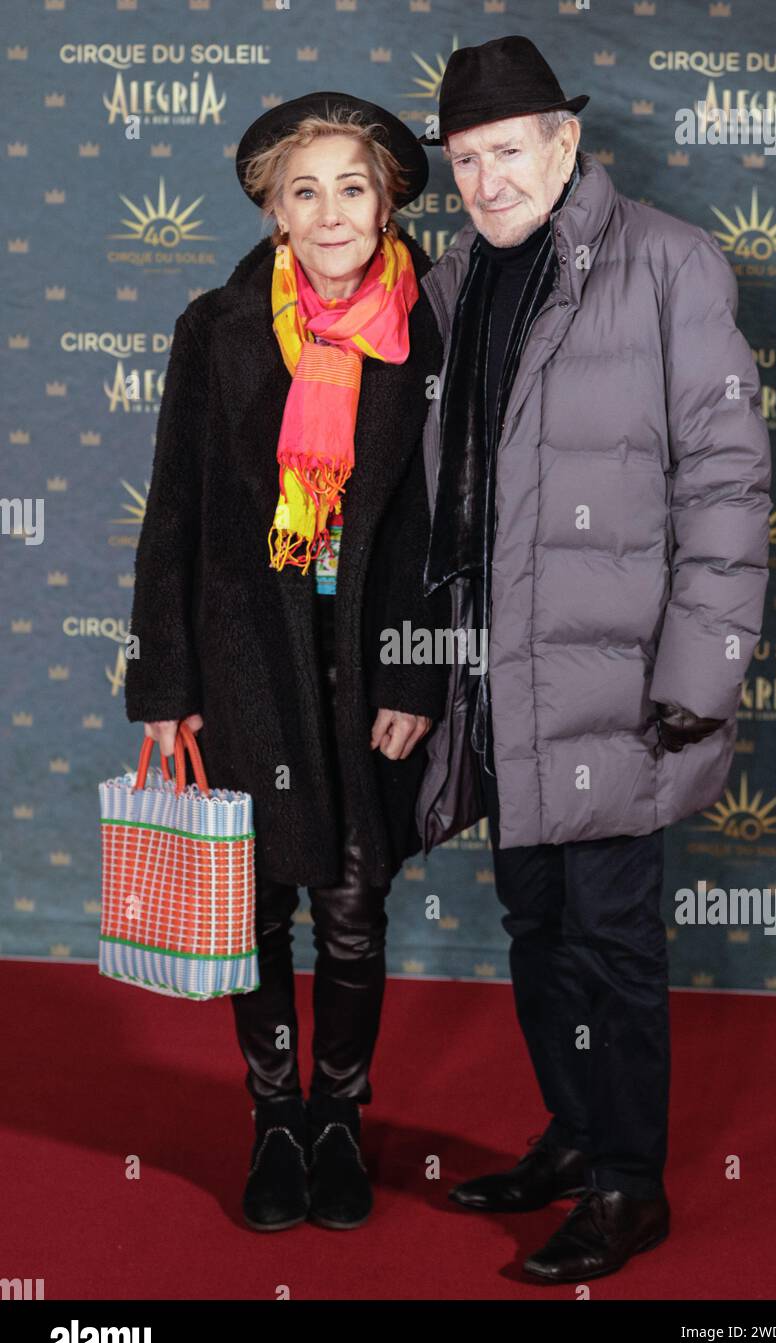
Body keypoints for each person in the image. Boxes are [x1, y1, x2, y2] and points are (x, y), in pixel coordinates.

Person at [414, 37, 771, 1281]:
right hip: (505, 678)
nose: (485, 180)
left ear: (566, 143)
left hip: (623, 684)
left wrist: (697, 676)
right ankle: (573, 1132)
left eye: (506, 151)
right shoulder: (460, 279)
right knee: (536, 922)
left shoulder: (669, 263)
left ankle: (631, 1186)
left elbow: (726, 479)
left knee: (616, 940)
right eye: (463, 162)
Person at [124, 92, 451, 1233]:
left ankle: (340, 1116)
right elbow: (171, 514)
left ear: (389, 202)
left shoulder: (429, 332)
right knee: (256, 901)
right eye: (301, 192)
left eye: (350, 188)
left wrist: (419, 674)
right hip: (247, 657)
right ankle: (273, 1117)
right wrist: (166, 689)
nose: (328, 212)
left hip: (368, 664)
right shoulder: (214, 327)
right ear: (272, 215)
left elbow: (445, 523)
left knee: (354, 903)